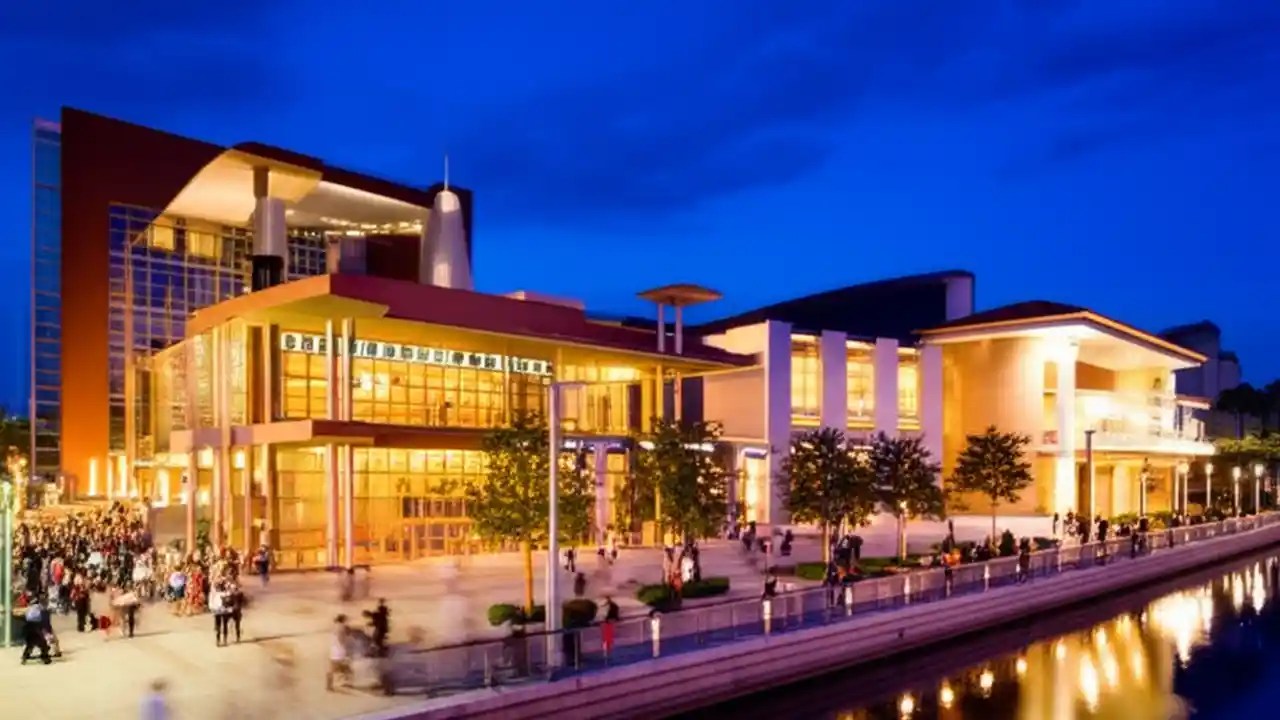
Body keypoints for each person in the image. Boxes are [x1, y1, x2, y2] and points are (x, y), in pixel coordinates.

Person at [21, 599, 53, 665]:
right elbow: (44, 623)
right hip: (35, 627)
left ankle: (25, 657)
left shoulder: (29, 609)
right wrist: (48, 632)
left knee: (30, 644)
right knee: (43, 644)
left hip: (27, 627)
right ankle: (45, 658)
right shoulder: (41, 609)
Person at [327, 615, 352, 691]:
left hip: (333, 650)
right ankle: (346, 681)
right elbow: (341, 639)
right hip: (339, 651)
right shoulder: (341, 627)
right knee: (345, 666)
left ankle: (329, 685)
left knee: (333, 668)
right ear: (343, 620)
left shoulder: (334, 626)